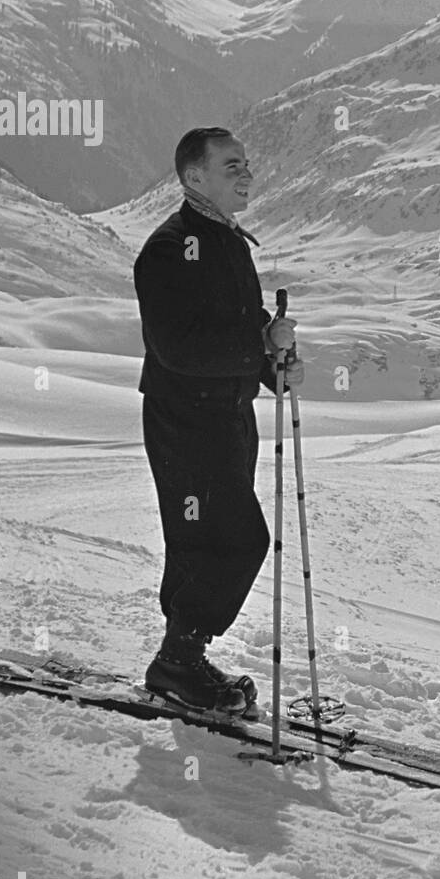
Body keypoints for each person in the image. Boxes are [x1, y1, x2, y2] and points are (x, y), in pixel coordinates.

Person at [134, 127, 303, 713]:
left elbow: (235, 328)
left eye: (246, 163)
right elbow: (178, 347)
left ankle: (180, 660)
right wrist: (259, 346)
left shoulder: (226, 241)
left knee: (199, 539)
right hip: (186, 421)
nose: (247, 173)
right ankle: (178, 660)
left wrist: (274, 366)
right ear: (194, 177)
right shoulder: (170, 248)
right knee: (237, 539)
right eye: (232, 165)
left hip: (226, 417)